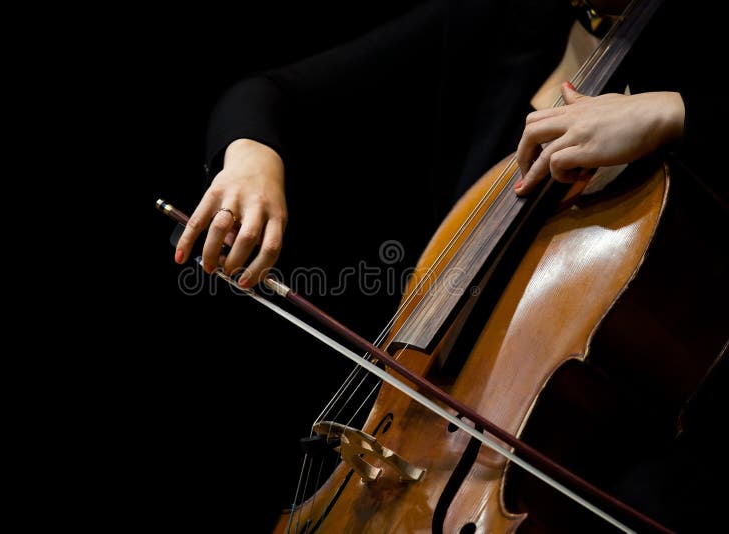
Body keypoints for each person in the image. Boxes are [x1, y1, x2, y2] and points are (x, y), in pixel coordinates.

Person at [173, 0, 726, 530]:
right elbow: (268, 93)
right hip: (435, 440)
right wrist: (248, 157)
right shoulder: (505, 15)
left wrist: (676, 111)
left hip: (647, 463)